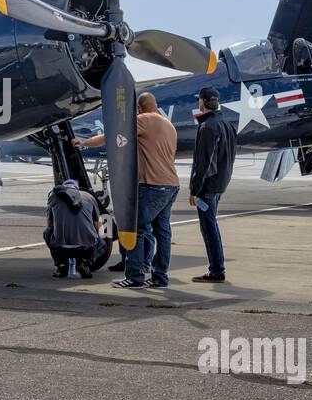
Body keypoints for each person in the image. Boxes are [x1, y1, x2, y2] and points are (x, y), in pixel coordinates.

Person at [75, 92, 180, 288]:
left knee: (136, 229)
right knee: (163, 232)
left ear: (139, 108)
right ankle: (160, 277)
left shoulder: (144, 120)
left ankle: (134, 277)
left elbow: (111, 136)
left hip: (152, 185)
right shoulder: (169, 125)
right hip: (171, 184)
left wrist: (83, 142)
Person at [188, 86, 237, 283]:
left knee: (209, 228)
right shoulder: (227, 124)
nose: (198, 102)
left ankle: (217, 270)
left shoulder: (207, 127)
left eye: (199, 99)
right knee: (212, 226)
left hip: (207, 187)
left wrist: (194, 190)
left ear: (204, 102)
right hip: (220, 184)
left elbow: (203, 163)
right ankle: (217, 268)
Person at [43, 177, 105, 279]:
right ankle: (85, 263)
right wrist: (99, 238)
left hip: (61, 245)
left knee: (47, 233)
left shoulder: (54, 196)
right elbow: (98, 224)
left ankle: (61, 265)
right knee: (102, 243)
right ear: (77, 188)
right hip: (85, 246)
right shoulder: (89, 196)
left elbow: (49, 223)